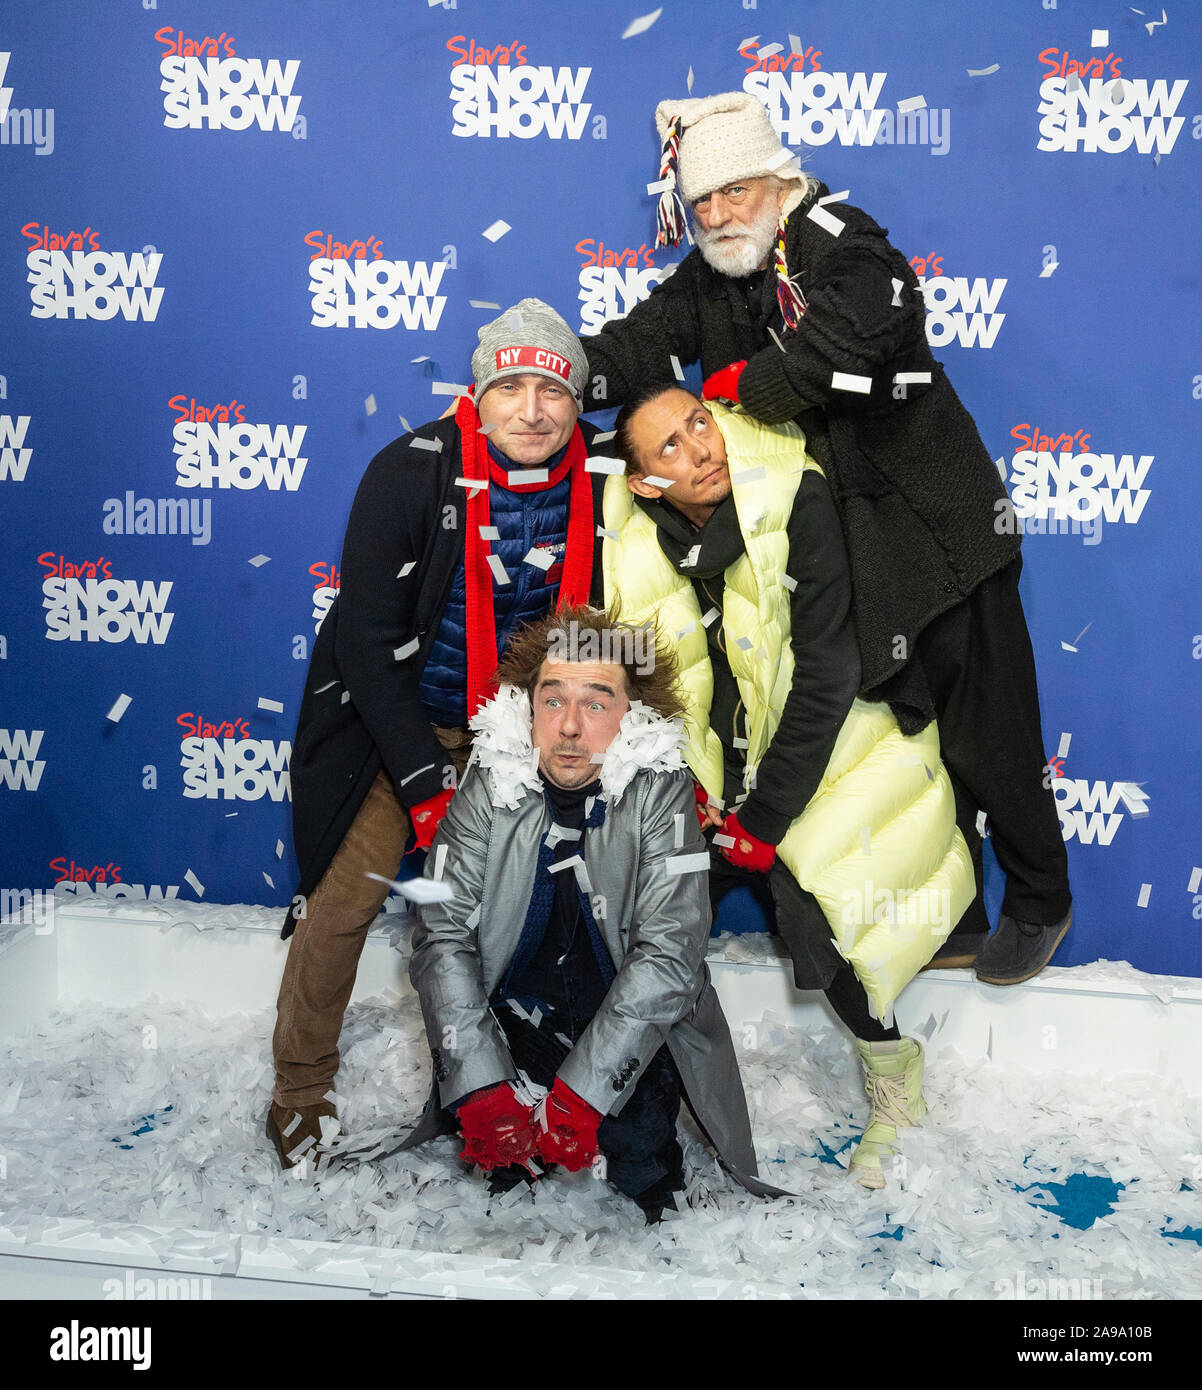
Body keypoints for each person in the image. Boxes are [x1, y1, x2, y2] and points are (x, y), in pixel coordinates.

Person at [580, 91, 1072, 988]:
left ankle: (1042, 899)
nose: (721, 214)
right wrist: (557, 376)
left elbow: (870, 333)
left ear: (777, 178)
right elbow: (642, 341)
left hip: (938, 526)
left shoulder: (838, 233)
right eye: (703, 201)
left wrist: (750, 383)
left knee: (986, 728)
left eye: (735, 190)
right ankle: (951, 919)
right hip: (855, 543)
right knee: (904, 740)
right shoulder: (716, 276)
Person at [606, 385, 975, 1187]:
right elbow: (641, 680)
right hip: (710, 758)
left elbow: (830, 670)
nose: (700, 449)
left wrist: (767, 815)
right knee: (640, 906)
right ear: (641, 483)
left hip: (827, 737)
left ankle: (894, 1076)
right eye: (669, 446)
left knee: (821, 905)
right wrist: (690, 786)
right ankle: (638, 1107)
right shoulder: (631, 540)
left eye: (699, 423)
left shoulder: (795, 494)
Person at [268, 300, 606, 1169]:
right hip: (402, 725)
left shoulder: (601, 481)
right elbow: (366, 646)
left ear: (577, 404)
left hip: (523, 735)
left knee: (541, 916)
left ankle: (518, 1088)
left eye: (553, 392)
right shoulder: (409, 470)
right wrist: (421, 779)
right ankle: (300, 1095)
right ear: (478, 395)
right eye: (512, 387)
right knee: (342, 907)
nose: (532, 410)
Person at [400, 605, 782, 1220]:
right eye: (553, 702)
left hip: (624, 1019)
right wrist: (480, 1083)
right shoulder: (489, 777)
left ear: (633, 716)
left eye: (597, 703)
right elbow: (442, 933)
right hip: (515, 1018)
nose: (570, 727)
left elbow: (670, 954)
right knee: (503, 1187)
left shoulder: (664, 789)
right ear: (528, 709)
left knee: (647, 1176)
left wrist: (583, 1093)